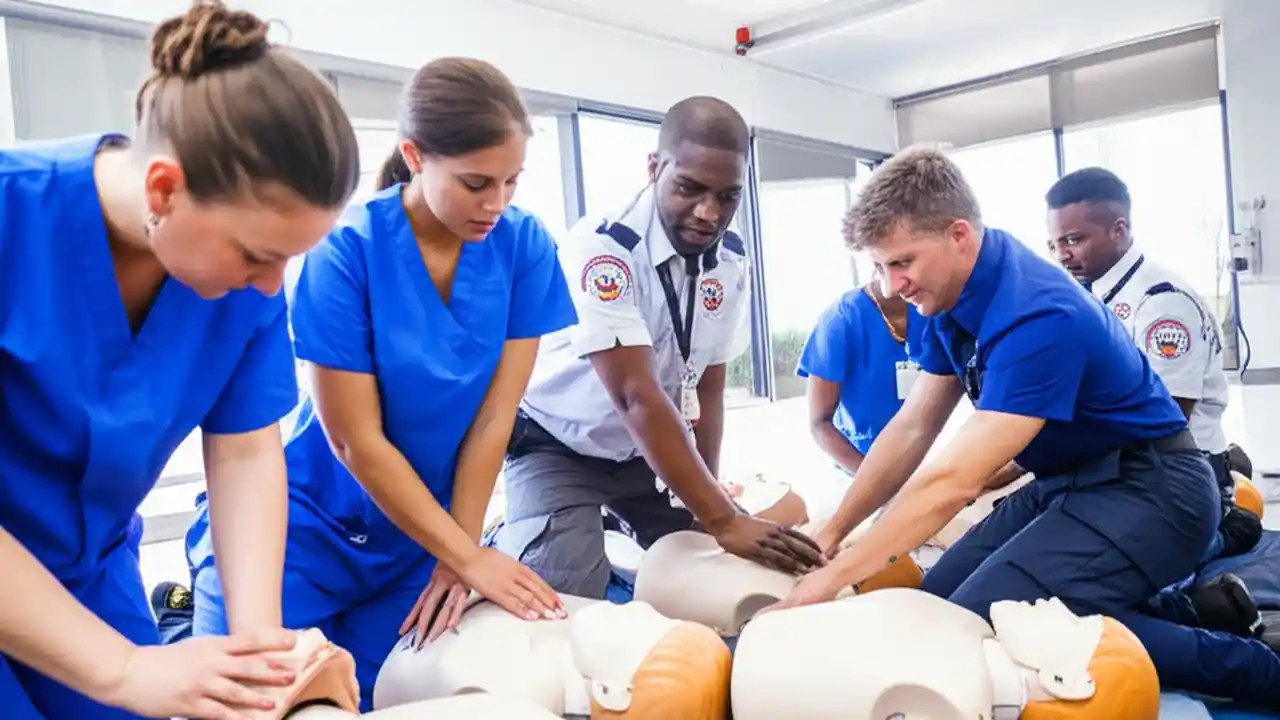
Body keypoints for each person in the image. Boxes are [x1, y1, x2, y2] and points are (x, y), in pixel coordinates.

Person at [764, 146, 1280, 707]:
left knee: (988, 616)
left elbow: (952, 481)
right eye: (882, 268)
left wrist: (830, 581)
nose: (893, 287)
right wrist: (831, 534)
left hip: (1154, 490)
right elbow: (913, 428)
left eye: (903, 263)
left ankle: (1257, 671)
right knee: (936, 604)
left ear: (958, 235)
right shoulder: (950, 297)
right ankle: (1191, 607)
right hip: (1071, 483)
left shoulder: (1037, 311)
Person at [0, 1, 360, 718]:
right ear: (164, 188)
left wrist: (258, 652)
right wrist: (126, 669)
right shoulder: (14, 216)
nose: (270, 286)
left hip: (87, 575)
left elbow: (247, 454)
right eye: (259, 256)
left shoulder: (245, 284)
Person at [183, 56, 577, 711]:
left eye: (512, 181)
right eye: (477, 182)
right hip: (302, 526)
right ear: (414, 155)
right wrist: (468, 555)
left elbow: (494, 417)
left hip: (416, 541)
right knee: (244, 698)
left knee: (382, 697)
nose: (496, 203)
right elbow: (354, 441)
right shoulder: (346, 252)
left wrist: (460, 553)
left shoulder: (524, 246)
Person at [491, 96, 823, 599]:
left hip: (642, 452)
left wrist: (709, 503)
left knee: (710, 577)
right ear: (654, 168)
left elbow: (709, 388)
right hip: (557, 444)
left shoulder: (729, 261)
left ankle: (616, 528)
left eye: (728, 197)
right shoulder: (604, 249)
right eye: (689, 189)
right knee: (567, 599)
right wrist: (723, 518)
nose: (709, 214)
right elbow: (633, 395)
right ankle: (513, 533)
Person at [1046, 167, 1260, 559]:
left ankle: (1228, 529)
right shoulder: (1093, 299)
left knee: (1111, 566)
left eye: (1074, 240)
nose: (1063, 255)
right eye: (1055, 244)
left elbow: (1167, 417)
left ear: (1118, 229)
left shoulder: (1161, 301)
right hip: (1123, 464)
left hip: (1177, 470)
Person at [797, 279, 924, 476]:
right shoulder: (839, 320)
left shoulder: (930, 309)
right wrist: (877, 482)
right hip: (860, 465)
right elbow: (819, 424)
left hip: (925, 457)